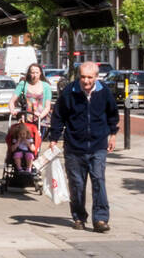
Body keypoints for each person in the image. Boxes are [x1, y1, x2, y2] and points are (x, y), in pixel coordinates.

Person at [47, 60, 119, 232]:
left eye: (89, 78)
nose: (86, 81)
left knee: (98, 180)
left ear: (96, 77)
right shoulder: (69, 92)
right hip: (74, 146)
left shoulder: (104, 92)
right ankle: (79, 216)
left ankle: (100, 219)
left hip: (98, 144)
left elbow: (112, 113)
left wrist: (113, 135)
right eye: (83, 77)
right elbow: (58, 116)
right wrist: (54, 138)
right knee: (77, 184)